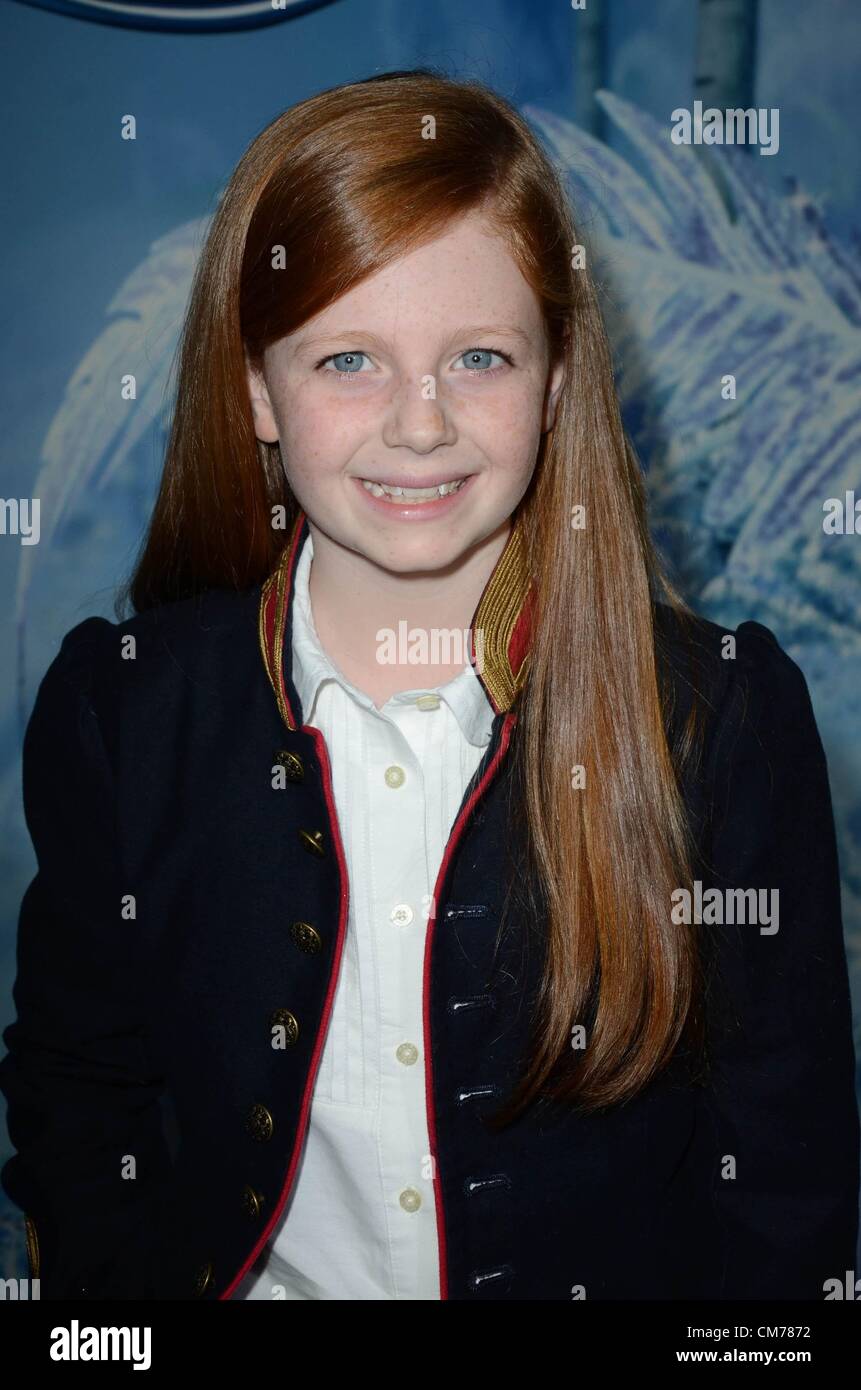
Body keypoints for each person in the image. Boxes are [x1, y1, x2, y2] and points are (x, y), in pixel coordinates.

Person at [1, 68, 858, 1302]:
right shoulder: (123, 714)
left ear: (554, 384)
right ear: (256, 388)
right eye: (349, 358)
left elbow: (782, 1194)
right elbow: (83, 1103)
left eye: (480, 357)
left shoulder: (721, 722)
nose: (420, 424)